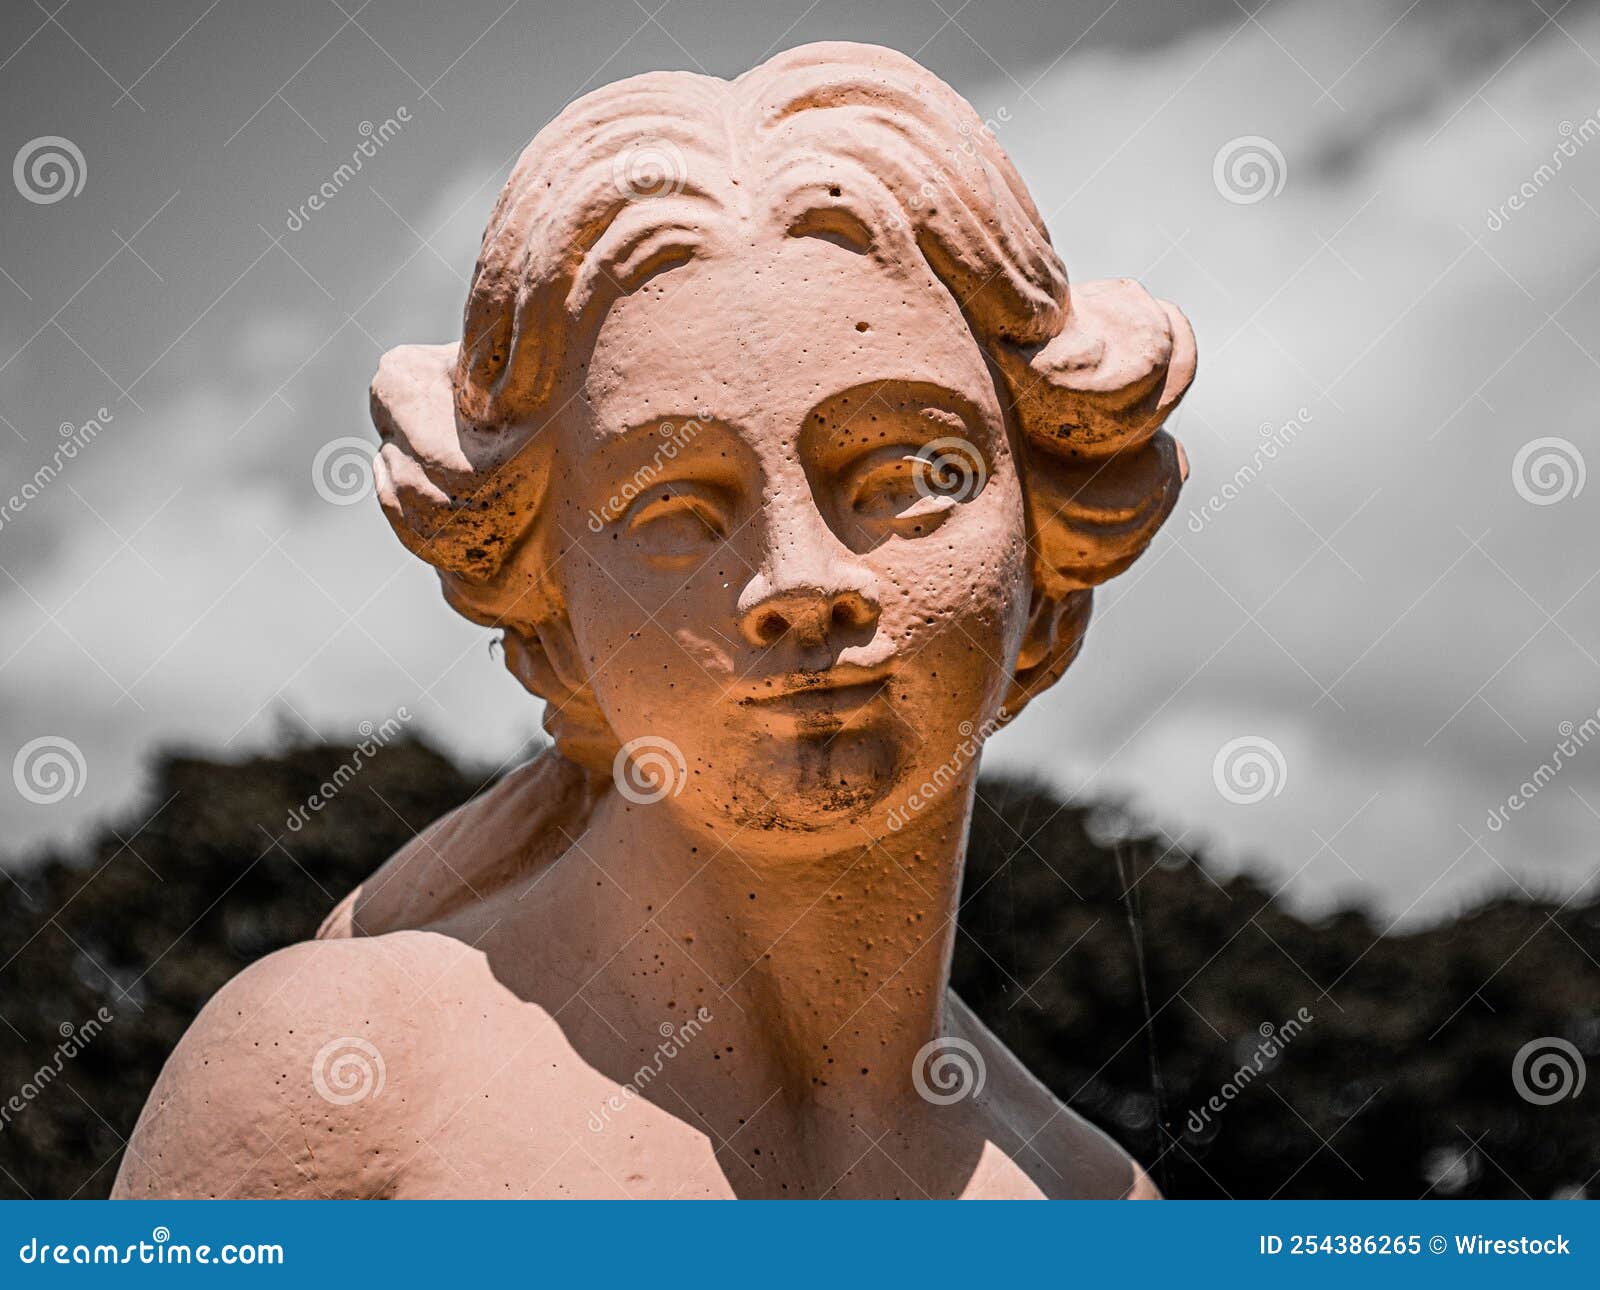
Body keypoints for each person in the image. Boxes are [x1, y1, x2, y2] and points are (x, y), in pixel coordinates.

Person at [114, 40, 1194, 1200]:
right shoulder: (334, 1089)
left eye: (901, 475)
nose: (796, 578)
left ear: (1047, 564)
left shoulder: (1094, 1205)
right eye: (674, 507)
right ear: (553, 609)